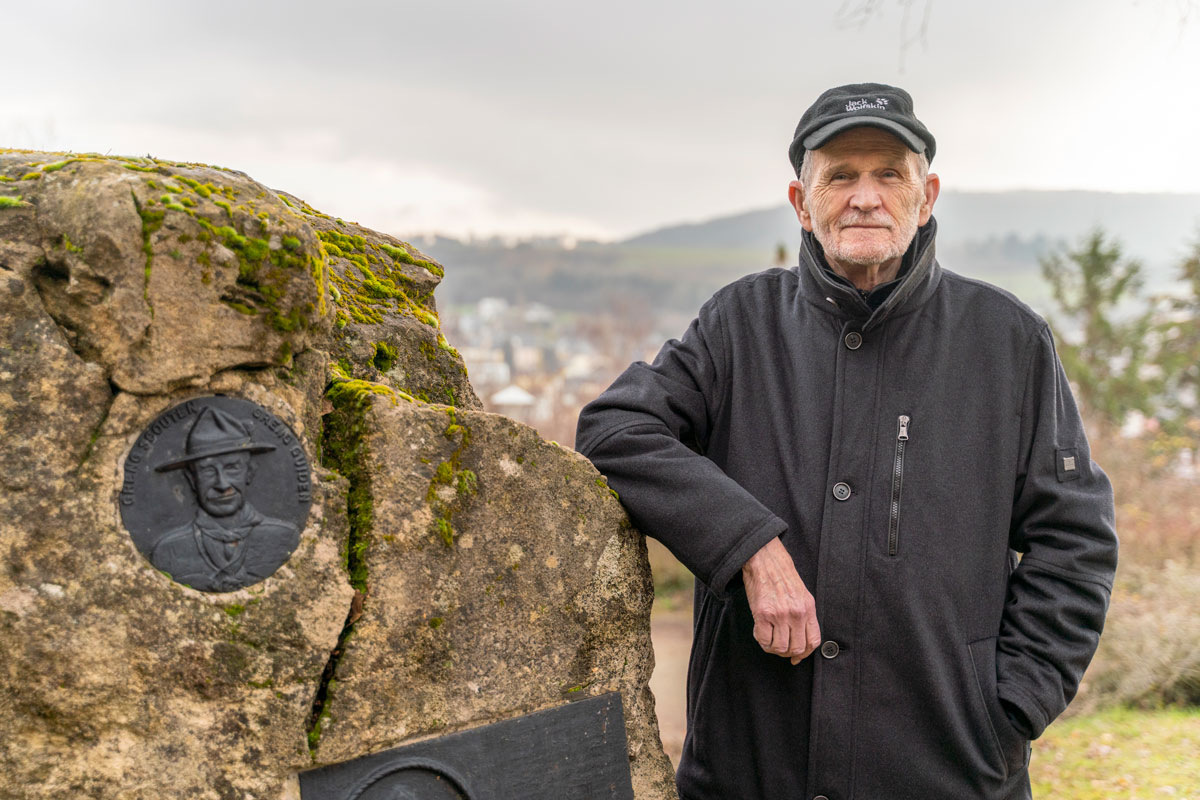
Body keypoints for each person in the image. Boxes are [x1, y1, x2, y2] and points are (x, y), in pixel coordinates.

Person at [576, 83, 1117, 800]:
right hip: (751, 767)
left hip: (948, 771)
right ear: (803, 202)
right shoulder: (741, 323)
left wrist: (1011, 707)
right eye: (840, 175)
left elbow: (1074, 537)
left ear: (926, 196)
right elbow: (616, 428)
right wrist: (747, 547)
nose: (866, 196)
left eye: (889, 173)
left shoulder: (1006, 339)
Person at [152, 407, 299, 592]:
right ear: (191, 479)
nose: (222, 484)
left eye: (232, 468)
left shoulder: (284, 539)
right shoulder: (168, 551)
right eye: (207, 471)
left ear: (249, 472)